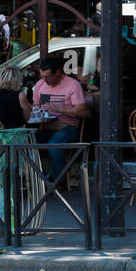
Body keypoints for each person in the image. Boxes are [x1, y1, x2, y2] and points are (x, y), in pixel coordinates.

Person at [30, 53, 89, 182]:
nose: (45, 80)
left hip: (68, 127)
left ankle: (59, 182)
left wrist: (59, 108)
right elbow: (36, 106)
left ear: (58, 72)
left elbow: (82, 112)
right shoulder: (40, 84)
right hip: (46, 126)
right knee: (26, 143)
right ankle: (44, 178)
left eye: (48, 77)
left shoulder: (73, 85)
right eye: (42, 76)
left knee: (54, 144)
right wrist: (35, 112)